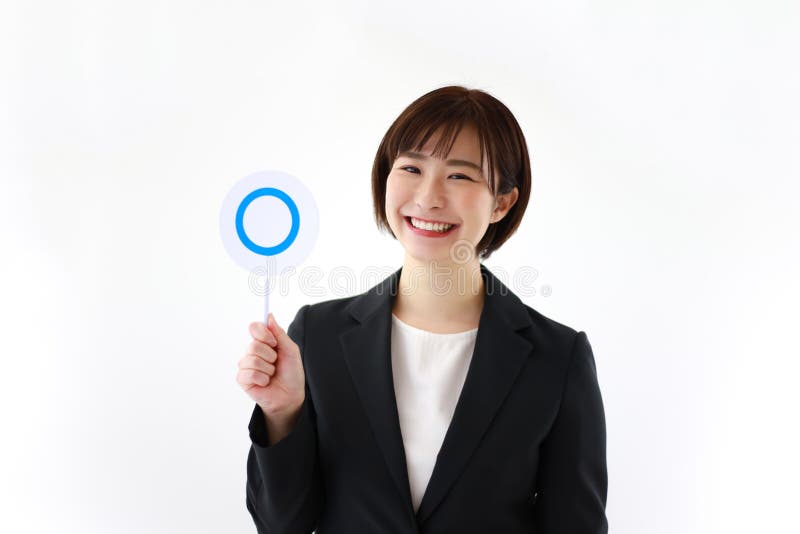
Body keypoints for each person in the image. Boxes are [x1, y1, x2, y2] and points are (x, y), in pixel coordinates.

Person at [236, 85, 608, 533]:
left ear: (502, 202)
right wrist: (283, 414)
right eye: (411, 167)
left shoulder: (557, 358)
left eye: (460, 176)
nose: (429, 196)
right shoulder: (317, 335)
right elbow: (281, 525)